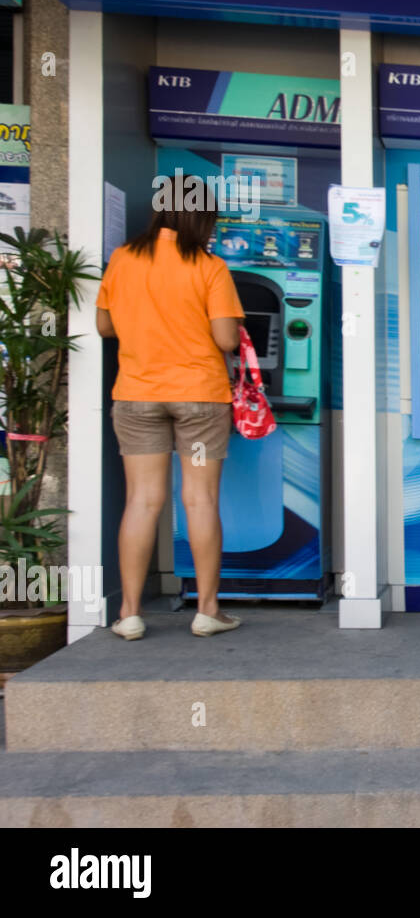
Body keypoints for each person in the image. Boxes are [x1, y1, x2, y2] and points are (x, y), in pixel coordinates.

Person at [95, 184, 245, 639]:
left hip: (138, 398)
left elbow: (104, 325)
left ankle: (130, 613)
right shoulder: (208, 266)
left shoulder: (123, 259)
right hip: (198, 401)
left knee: (142, 501)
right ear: (202, 219)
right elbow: (226, 340)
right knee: (199, 499)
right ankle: (207, 610)